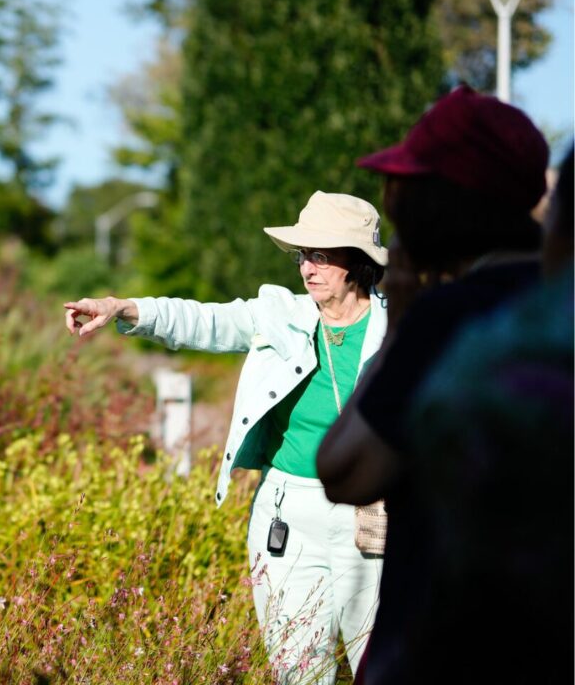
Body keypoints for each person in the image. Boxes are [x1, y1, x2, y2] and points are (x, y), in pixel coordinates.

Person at [65, 191, 388, 684]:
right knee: (297, 672)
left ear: (358, 262)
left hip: (369, 517)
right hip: (285, 518)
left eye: (322, 255)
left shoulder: (400, 326)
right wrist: (124, 307)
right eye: (303, 255)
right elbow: (203, 320)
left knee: (380, 664)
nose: (308, 267)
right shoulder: (281, 315)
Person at [315, 85, 550, 684]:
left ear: (440, 206)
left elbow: (345, 471)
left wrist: (403, 319)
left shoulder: (450, 318)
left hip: (446, 648)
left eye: (404, 189)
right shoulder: (556, 307)